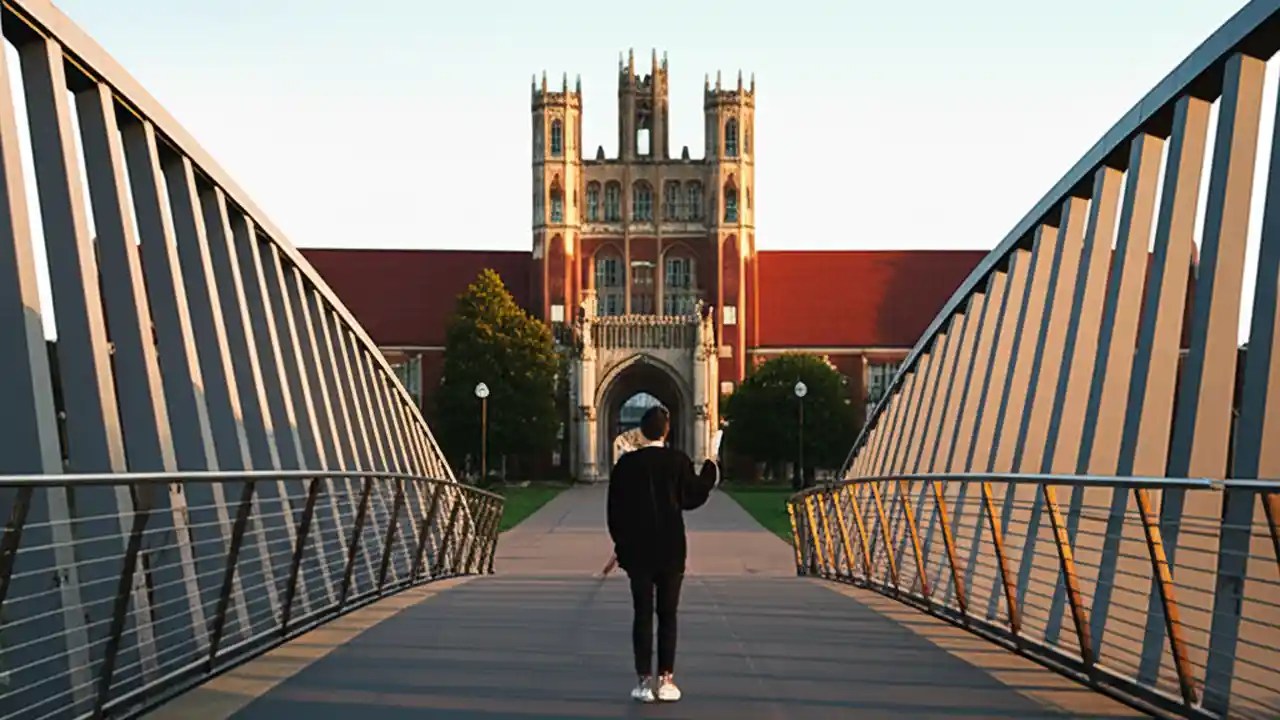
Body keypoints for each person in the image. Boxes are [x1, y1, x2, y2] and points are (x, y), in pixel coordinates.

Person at [606, 406, 718, 703]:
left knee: (641, 614)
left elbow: (615, 512)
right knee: (668, 615)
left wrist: (621, 548)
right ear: (666, 431)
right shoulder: (677, 461)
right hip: (671, 549)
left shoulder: (626, 466)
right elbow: (693, 496)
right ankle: (667, 680)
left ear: (642, 432)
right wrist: (710, 466)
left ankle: (643, 682)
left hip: (638, 551)